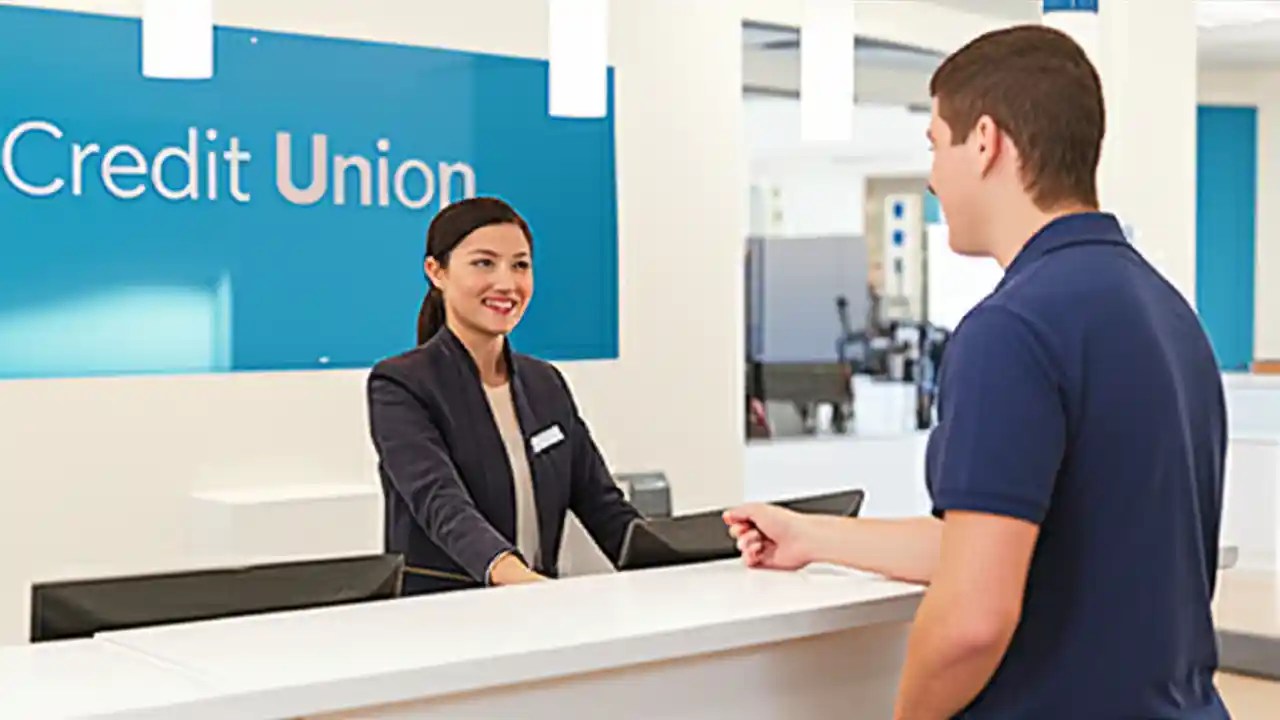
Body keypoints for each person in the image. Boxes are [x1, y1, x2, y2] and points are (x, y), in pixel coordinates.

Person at [725, 25, 1229, 720]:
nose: (932, 176)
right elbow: (998, 538)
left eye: (935, 143)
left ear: (986, 141)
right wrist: (814, 536)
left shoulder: (1010, 329)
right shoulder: (1169, 312)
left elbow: (972, 616)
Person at [367, 196, 641, 595]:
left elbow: (604, 508)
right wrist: (527, 584)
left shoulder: (544, 382)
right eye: (484, 263)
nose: (506, 283)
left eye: (520, 265)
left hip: (534, 609)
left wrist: (685, 560)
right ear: (436, 272)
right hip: (445, 618)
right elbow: (443, 507)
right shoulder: (400, 384)